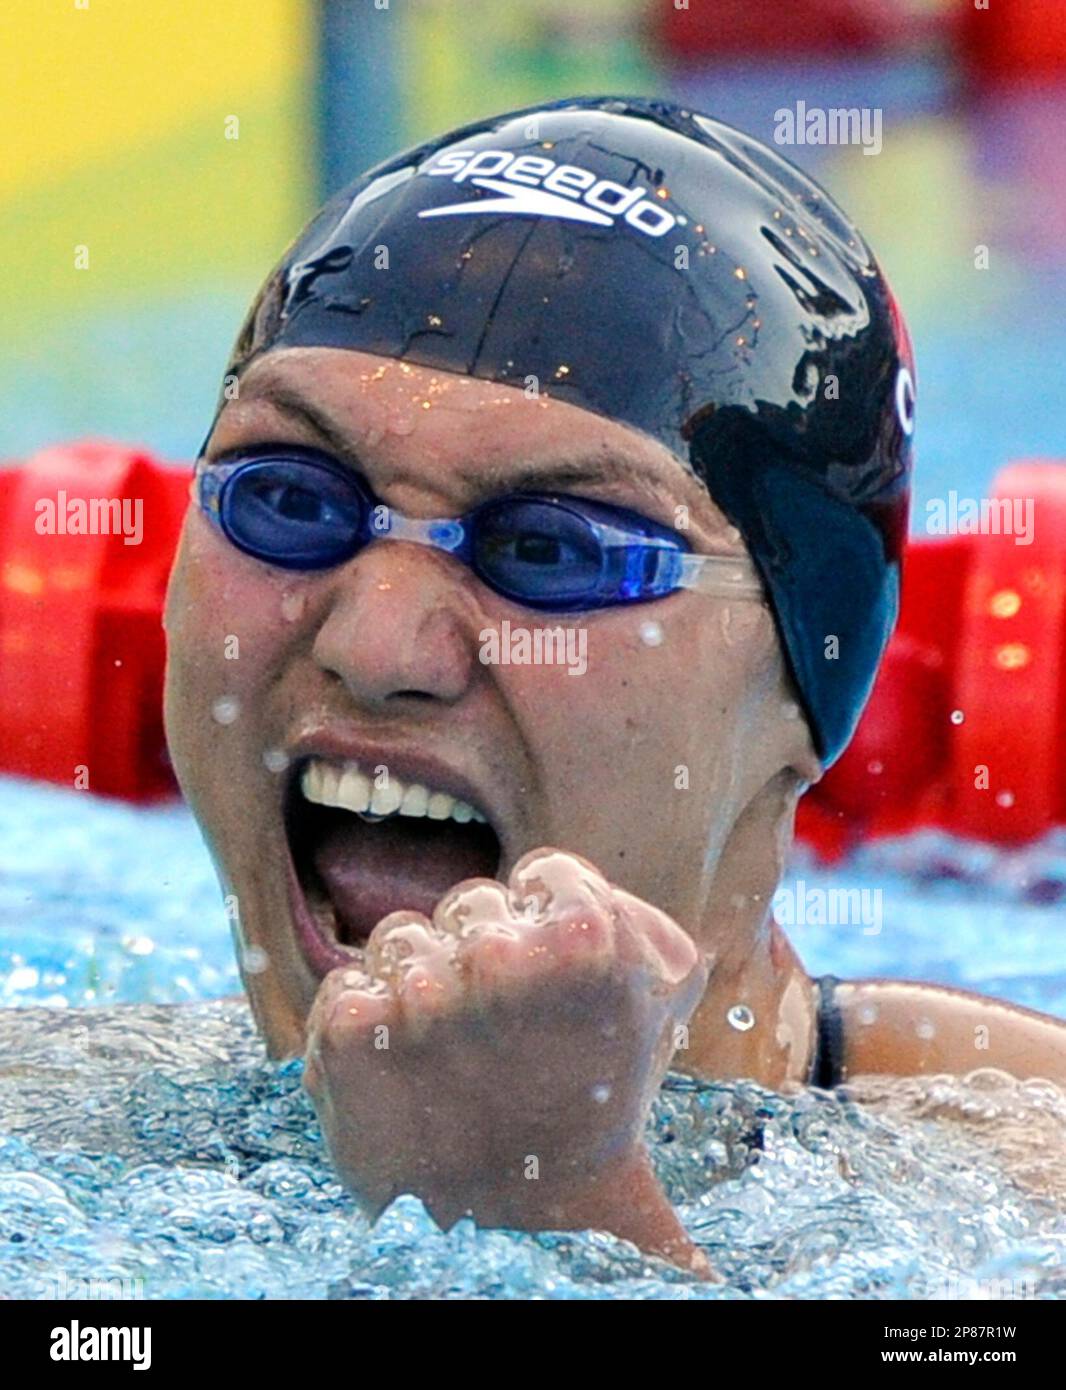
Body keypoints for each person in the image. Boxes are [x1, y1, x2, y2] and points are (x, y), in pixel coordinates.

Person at [163, 97, 1066, 1274]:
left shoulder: (1019, 1176)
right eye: (289, 497)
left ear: (802, 683)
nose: (378, 647)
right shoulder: (56, 1111)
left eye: (550, 549)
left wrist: (547, 1208)